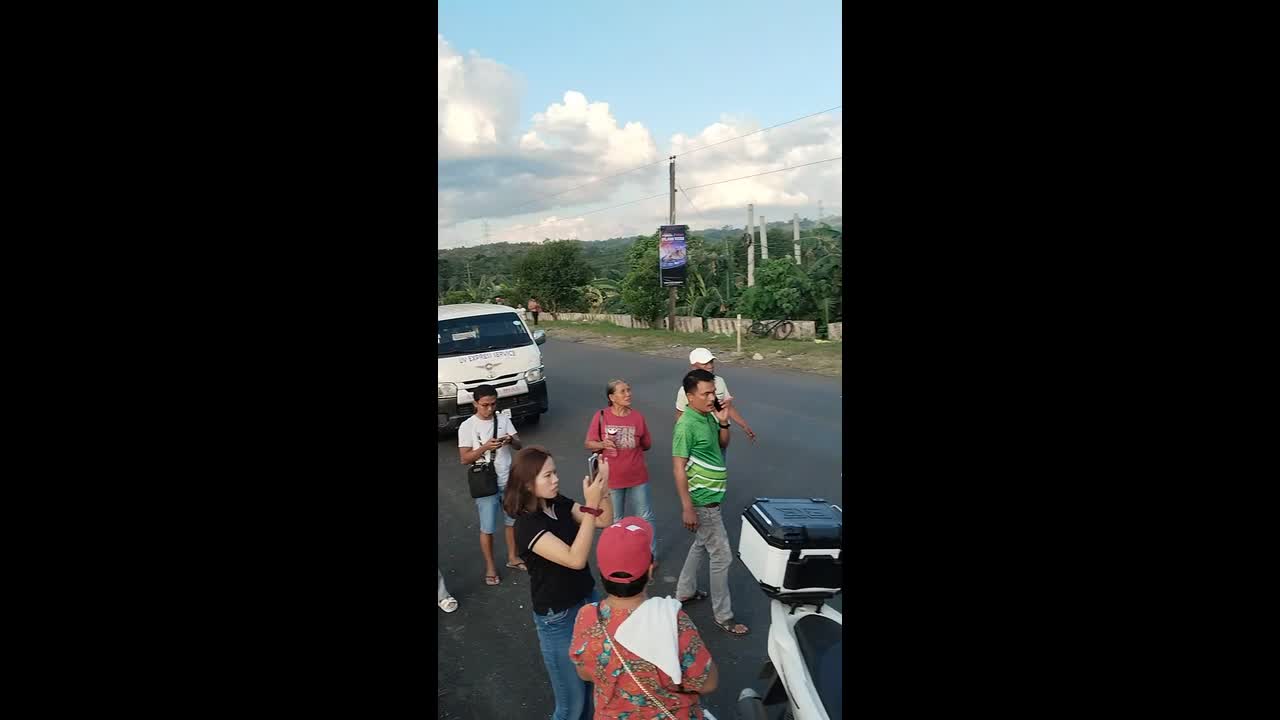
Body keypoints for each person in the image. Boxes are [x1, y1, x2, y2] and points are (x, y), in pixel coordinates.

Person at [571, 516, 718, 719]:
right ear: (650, 572)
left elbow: (585, 673)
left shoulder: (586, 617)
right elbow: (708, 683)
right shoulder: (672, 621)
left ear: (601, 571)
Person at [506, 446, 615, 720]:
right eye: (548, 475)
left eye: (555, 472)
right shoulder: (526, 525)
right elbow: (575, 558)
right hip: (558, 617)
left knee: (592, 687)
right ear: (528, 483)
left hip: (587, 602)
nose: (556, 479)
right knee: (571, 704)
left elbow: (604, 519)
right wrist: (590, 507)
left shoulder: (558, 503)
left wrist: (603, 486)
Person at [672, 369, 749, 636]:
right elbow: (678, 468)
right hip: (702, 501)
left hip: (712, 497)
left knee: (702, 544)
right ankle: (724, 616)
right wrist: (687, 507)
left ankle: (685, 591)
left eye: (712, 392)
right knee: (722, 556)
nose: (711, 398)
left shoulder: (708, 416)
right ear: (689, 397)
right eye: (705, 393)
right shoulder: (686, 425)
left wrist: (725, 422)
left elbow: (722, 444)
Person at [458, 384, 525, 586]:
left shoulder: (503, 419)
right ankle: (490, 566)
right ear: (475, 404)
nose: (489, 409)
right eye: (485, 405)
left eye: (493, 404)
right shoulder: (467, 426)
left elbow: (520, 445)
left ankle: (513, 558)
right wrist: (486, 446)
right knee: (487, 527)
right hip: (485, 483)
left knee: (512, 522)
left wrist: (510, 440)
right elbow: (464, 458)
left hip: (508, 479)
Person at [584, 379, 655, 558]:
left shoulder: (637, 417)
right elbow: (589, 443)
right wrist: (602, 443)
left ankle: (650, 556)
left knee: (645, 518)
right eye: (622, 391)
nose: (628, 394)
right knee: (615, 520)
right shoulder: (601, 416)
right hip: (612, 479)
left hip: (637, 476)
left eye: (629, 390)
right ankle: (617, 556)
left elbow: (647, 444)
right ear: (612, 397)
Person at [674, 348, 756, 447]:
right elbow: (680, 414)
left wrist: (744, 425)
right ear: (694, 366)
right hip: (700, 435)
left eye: (711, 362)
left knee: (719, 457)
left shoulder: (720, 381)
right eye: (705, 364)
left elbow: (727, 406)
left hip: (721, 430)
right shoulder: (686, 390)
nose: (710, 366)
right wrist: (682, 437)